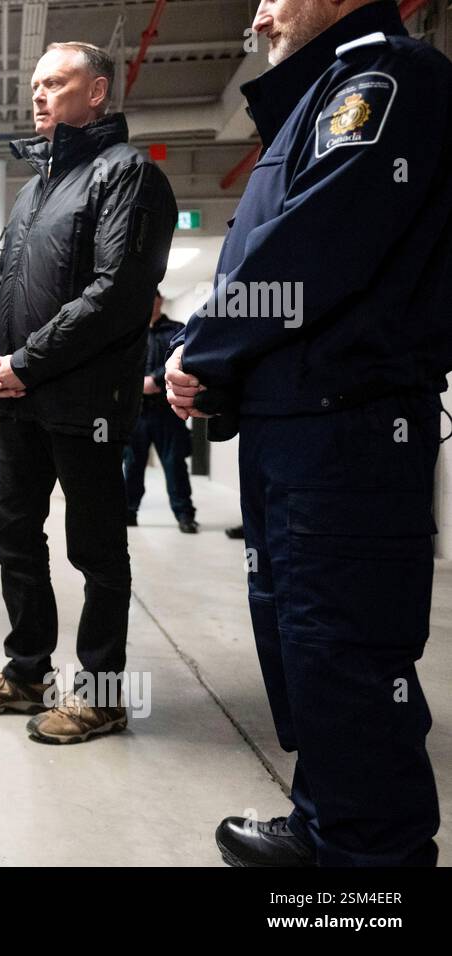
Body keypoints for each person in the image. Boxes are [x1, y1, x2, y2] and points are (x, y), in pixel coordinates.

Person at [167, 0, 452, 867]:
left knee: (345, 652)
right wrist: (224, 376)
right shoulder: (318, 98)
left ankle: (368, 867)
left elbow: (311, 248)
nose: (257, 12)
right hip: (297, 423)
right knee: (304, 644)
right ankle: (329, 820)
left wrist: (203, 350)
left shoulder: (385, 78)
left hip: (347, 428)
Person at [0, 43, 176, 742]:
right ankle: (26, 673)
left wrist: (27, 360)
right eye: (37, 83)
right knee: (13, 535)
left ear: (97, 92)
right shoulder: (33, 187)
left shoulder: (128, 175)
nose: (40, 95)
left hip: (87, 404)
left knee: (95, 549)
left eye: (58, 82)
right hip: (20, 397)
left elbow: (117, 294)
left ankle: (103, 691)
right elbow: (3, 286)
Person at [122, 291, 197, 533]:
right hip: (136, 412)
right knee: (132, 465)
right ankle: (128, 513)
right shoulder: (131, 331)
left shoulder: (177, 329)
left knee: (174, 464)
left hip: (168, 411)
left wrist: (155, 380)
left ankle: (185, 515)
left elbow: (185, 358)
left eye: (153, 299)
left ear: (160, 301)